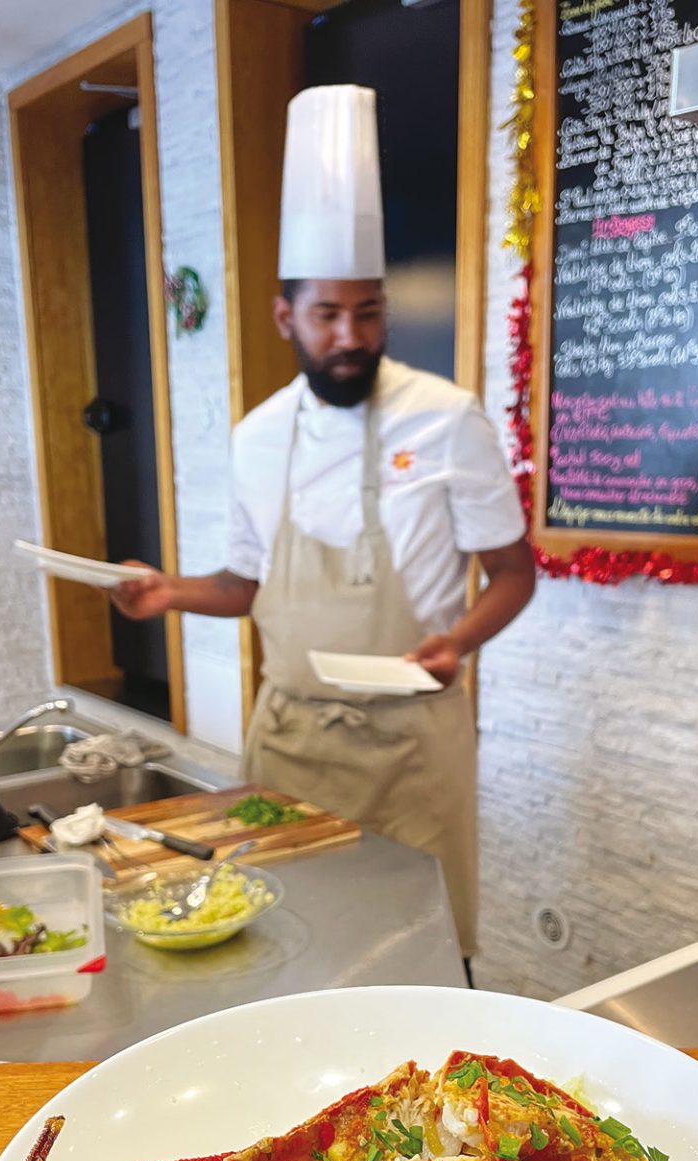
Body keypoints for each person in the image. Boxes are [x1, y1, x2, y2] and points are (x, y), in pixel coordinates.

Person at [113, 85, 534, 961]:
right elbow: (245, 587)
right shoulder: (258, 437)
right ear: (285, 318)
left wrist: (457, 642)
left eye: (368, 312)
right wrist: (168, 593)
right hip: (294, 742)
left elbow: (514, 571)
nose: (350, 335)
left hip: (414, 748)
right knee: (296, 947)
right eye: (327, 315)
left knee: (422, 950)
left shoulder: (447, 418)